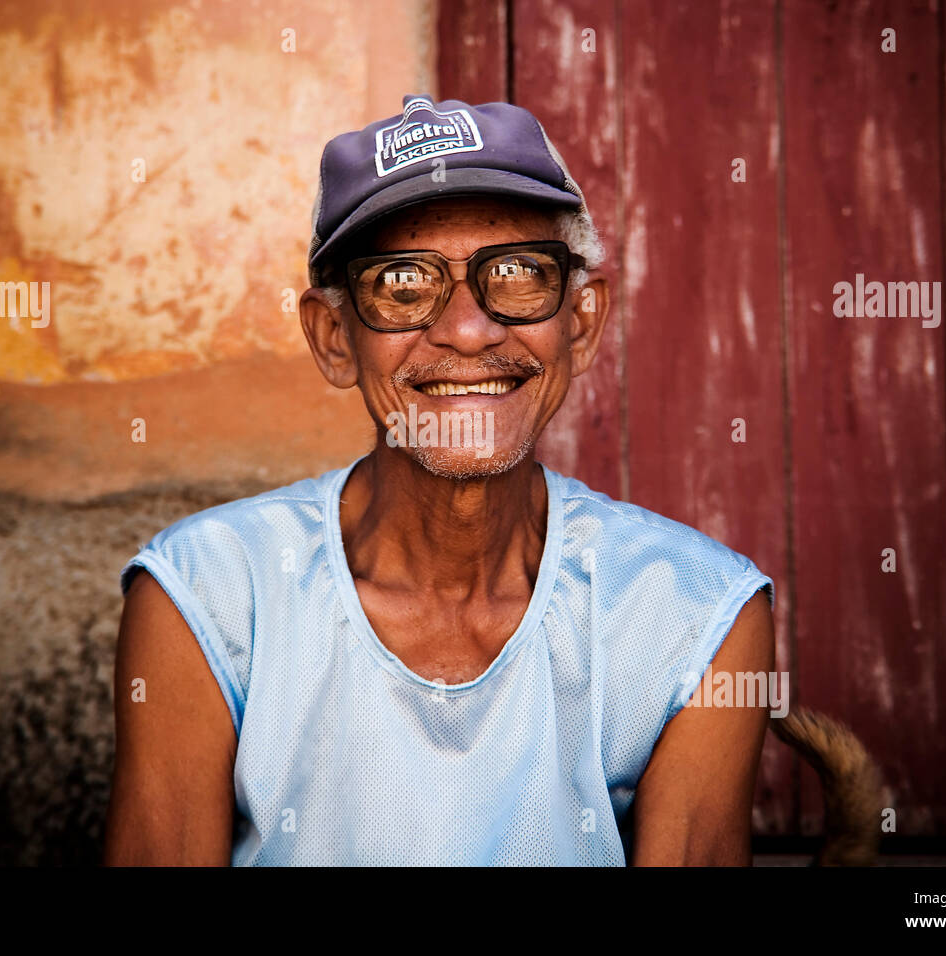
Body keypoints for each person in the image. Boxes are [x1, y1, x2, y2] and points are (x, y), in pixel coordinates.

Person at [104, 94, 776, 865]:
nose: (466, 329)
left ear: (581, 323)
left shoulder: (694, 612)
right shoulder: (210, 595)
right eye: (402, 283)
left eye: (518, 273)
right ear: (333, 339)